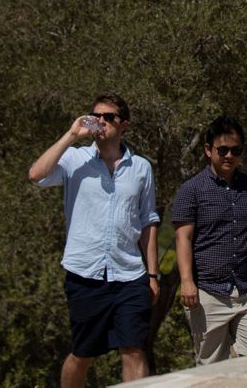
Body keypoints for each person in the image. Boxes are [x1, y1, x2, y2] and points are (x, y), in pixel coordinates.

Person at [28, 92, 161, 388]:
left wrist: (152, 274)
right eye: (95, 115)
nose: (100, 122)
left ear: (123, 125)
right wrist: (72, 134)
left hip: (130, 274)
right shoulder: (74, 159)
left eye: (108, 117)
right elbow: (36, 175)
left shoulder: (141, 168)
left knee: (134, 349)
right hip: (85, 274)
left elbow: (148, 221)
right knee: (83, 353)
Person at [172, 115, 247, 364]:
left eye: (236, 150)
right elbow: (183, 238)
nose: (229, 156)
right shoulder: (191, 190)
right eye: (222, 149)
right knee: (210, 368)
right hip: (207, 293)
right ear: (208, 150)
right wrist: (186, 282)